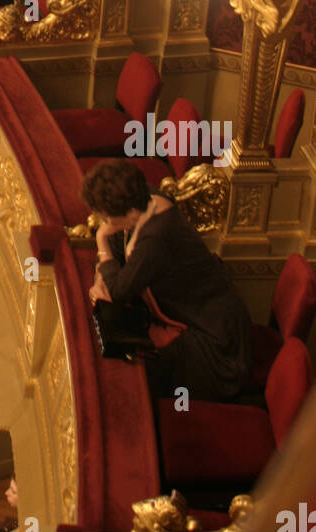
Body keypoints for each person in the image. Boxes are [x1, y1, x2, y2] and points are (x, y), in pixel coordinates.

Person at [82, 160, 253, 402]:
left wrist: (100, 239)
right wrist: (101, 278)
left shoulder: (154, 238)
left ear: (128, 212)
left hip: (215, 341)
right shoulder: (145, 199)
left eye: (107, 218)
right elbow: (116, 257)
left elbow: (120, 290)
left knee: (130, 379)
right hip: (198, 315)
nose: (103, 222)